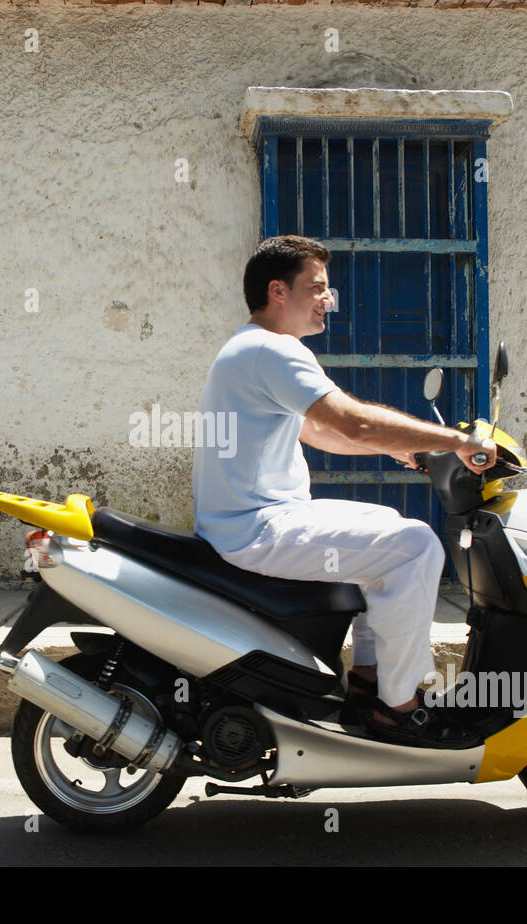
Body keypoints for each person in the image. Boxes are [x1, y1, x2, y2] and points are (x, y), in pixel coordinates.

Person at [191, 235, 497, 746]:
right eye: (316, 288)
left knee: (389, 528)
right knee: (417, 545)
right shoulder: (274, 350)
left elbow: (321, 433)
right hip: (259, 527)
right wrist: (459, 441)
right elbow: (351, 423)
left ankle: (370, 680)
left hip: (254, 520)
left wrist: (401, 447)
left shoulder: (248, 348)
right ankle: (399, 708)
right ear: (277, 291)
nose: (328, 300)